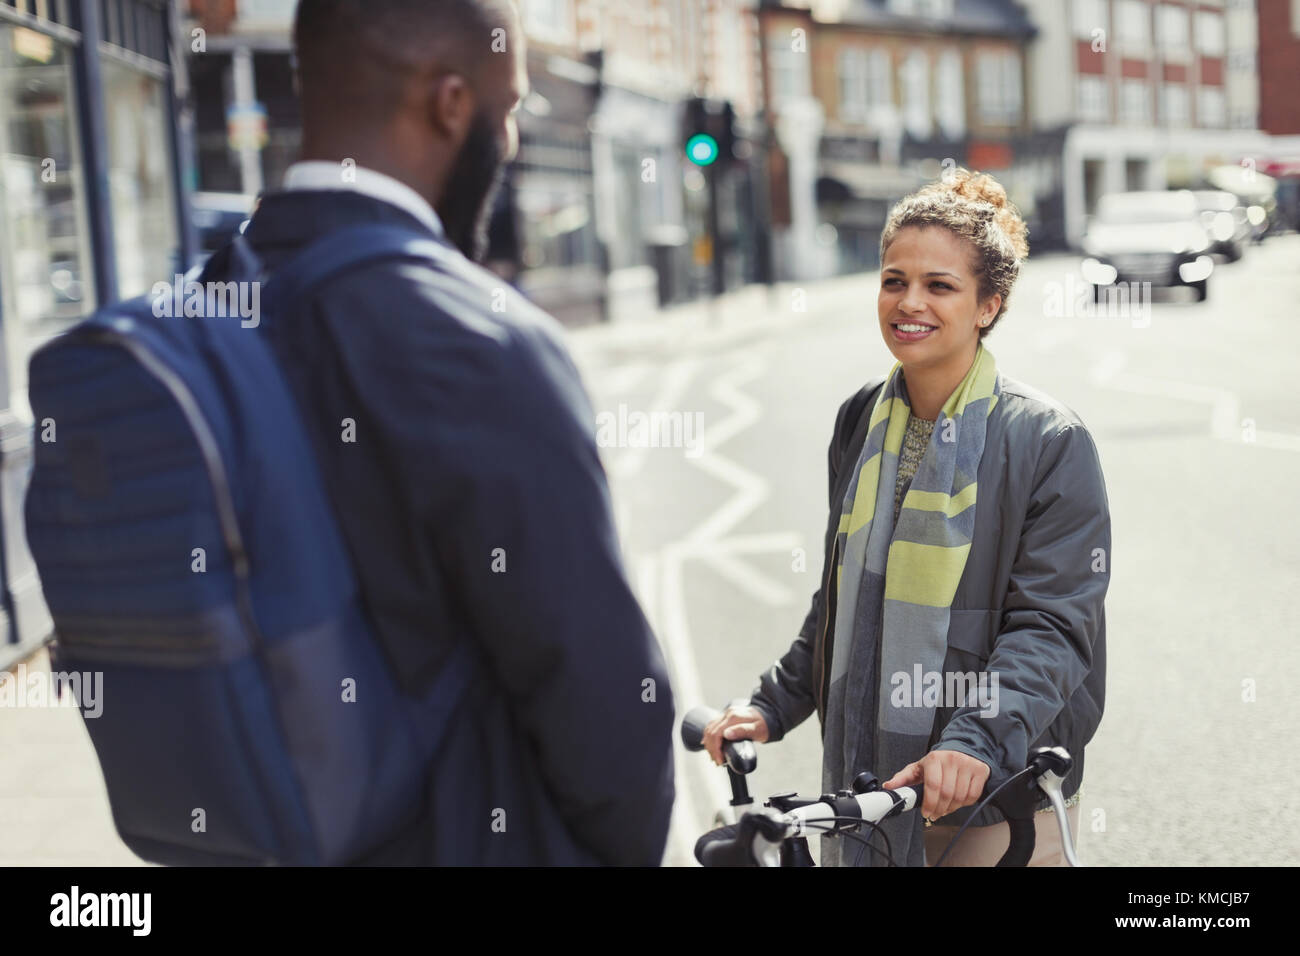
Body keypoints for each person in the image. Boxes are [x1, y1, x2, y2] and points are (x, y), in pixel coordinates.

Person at [233, 0, 675, 864]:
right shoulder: (482, 343)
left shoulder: (208, 308)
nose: (508, 145)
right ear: (449, 104)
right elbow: (606, 697)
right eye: (507, 113)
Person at [701, 169, 1109, 867]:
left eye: (939, 286)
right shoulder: (861, 418)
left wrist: (972, 740)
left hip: (991, 793)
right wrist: (772, 704)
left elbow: (1054, 628)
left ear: (988, 305)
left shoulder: (1047, 440)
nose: (909, 302)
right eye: (894, 280)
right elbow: (843, 600)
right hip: (868, 790)